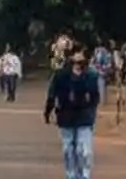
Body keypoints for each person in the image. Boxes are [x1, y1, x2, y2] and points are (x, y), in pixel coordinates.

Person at [45, 43, 100, 179]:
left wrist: (92, 110)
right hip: (66, 116)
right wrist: (48, 111)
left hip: (85, 117)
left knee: (84, 151)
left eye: (80, 60)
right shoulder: (60, 76)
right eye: (75, 59)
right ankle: (71, 175)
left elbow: (95, 96)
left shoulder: (91, 76)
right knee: (68, 149)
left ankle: (84, 176)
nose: (77, 63)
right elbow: (52, 94)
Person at [92, 41, 115, 108]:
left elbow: (96, 61)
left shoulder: (98, 51)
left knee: (100, 85)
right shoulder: (106, 52)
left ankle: (101, 101)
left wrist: (97, 68)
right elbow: (108, 63)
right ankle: (102, 100)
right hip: (103, 70)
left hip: (99, 70)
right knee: (102, 85)